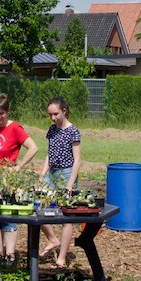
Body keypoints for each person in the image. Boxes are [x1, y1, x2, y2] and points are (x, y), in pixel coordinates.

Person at [0, 93, 38, 257]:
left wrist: (18, 166)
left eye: (1, 113)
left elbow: (33, 148)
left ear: (8, 111)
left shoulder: (15, 129)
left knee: (8, 216)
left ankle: (10, 255)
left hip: (7, 181)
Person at [38, 96, 82, 267]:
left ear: (64, 111)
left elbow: (77, 160)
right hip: (52, 172)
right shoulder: (52, 130)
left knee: (66, 216)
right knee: (40, 208)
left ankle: (62, 258)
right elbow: (50, 154)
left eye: (55, 114)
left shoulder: (73, 131)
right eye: (50, 115)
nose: (53, 118)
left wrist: (70, 183)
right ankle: (52, 239)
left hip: (66, 172)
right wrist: (42, 175)